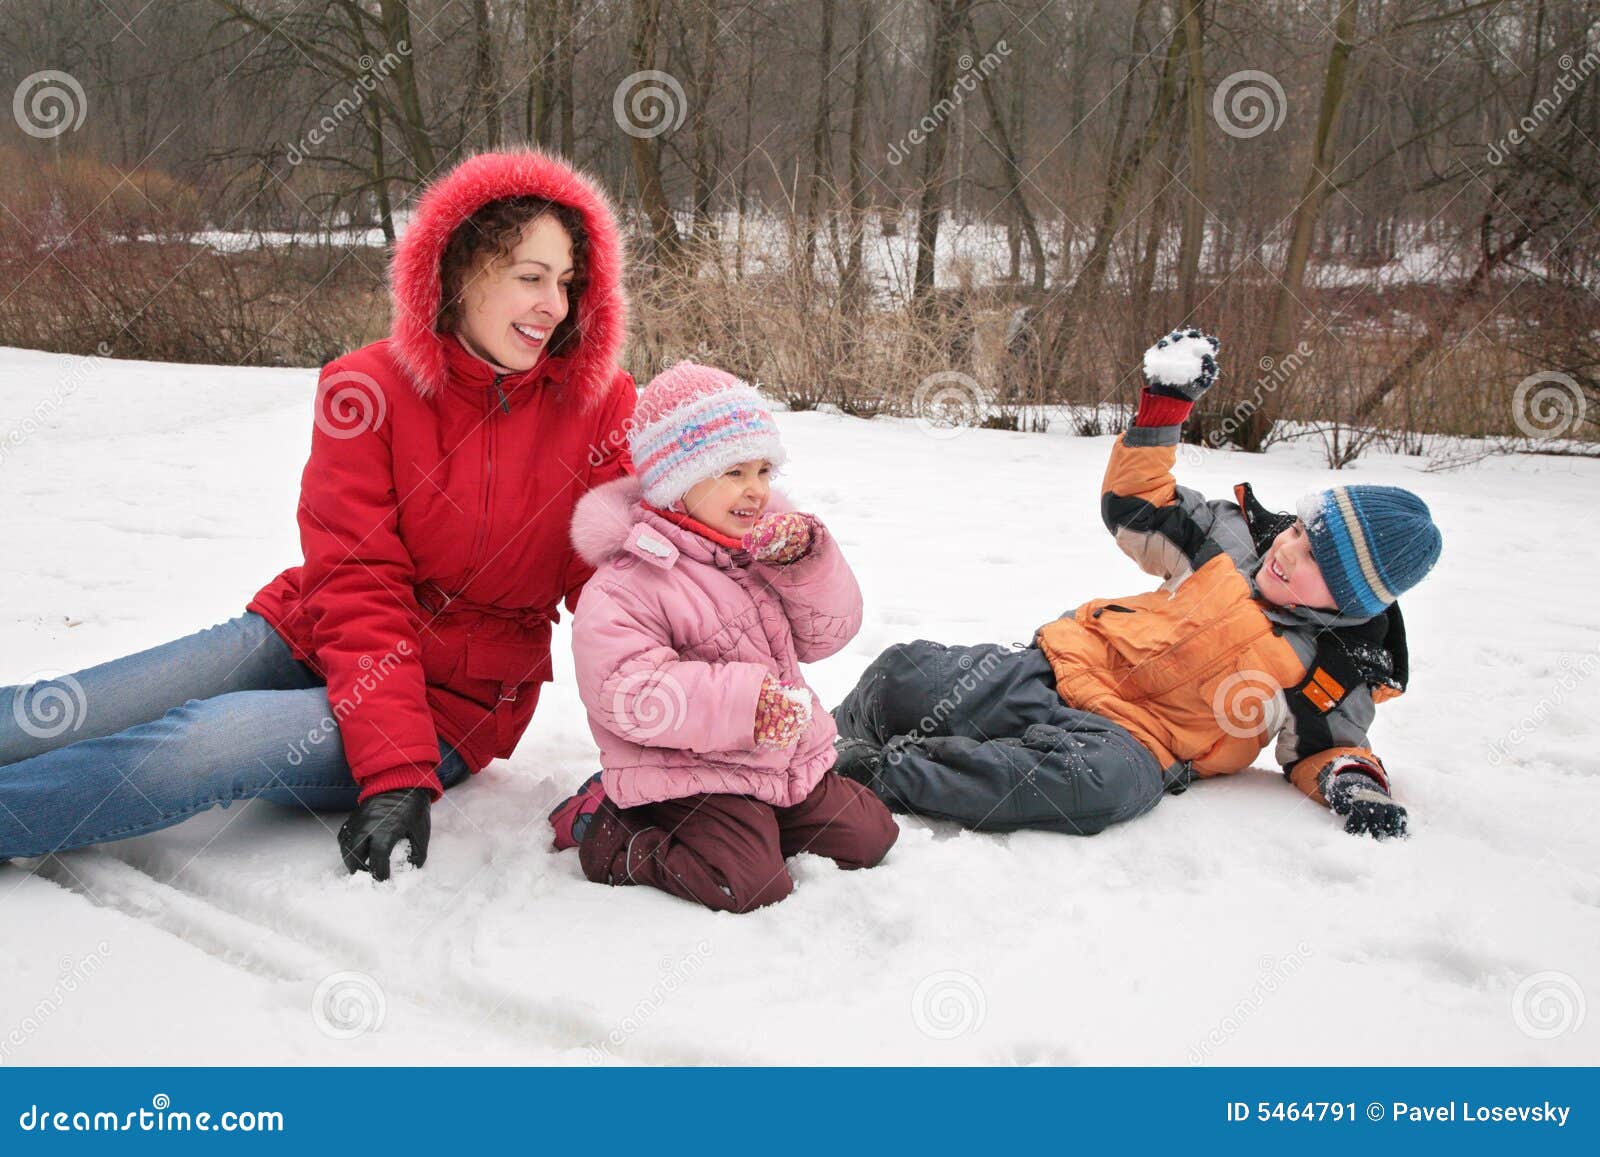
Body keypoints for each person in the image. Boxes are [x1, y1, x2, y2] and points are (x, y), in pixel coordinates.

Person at [1, 149, 635, 879]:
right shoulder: (366, 389)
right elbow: (358, 577)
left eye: (566, 282)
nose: (554, 305)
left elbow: (620, 590)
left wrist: (399, 765)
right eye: (530, 277)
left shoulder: (600, 406)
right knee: (78, 707)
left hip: (451, 703)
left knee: (201, 743)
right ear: (459, 272)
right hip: (315, 630)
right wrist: (390, 761)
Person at [833, 329, 1443, 841]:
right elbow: (1136, 507)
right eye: (1298, 533)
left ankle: (874, 778)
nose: (1286, 550)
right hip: (1058, 668)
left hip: (1136, 742)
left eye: (1315, 561)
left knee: (1098, 789)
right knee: (904, 677)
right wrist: (1162, 413)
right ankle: (825, 736)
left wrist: (1354, 784)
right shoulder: (1229, 548)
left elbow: (1325, 749)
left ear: (1352, 598)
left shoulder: (1332, 668)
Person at [547, 362, 898, 912]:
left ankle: (756, 824)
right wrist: (746, 706)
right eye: (734, 473)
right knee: (747, 883)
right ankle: (609, 830)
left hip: (775, 760)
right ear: (678, 479)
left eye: (763, 472)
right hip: (688, 774)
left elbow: (827, 636)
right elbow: (626, 692)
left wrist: (806, 565)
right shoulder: (629, 579)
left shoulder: (759, 551)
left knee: (871, 834)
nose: (756, 491)